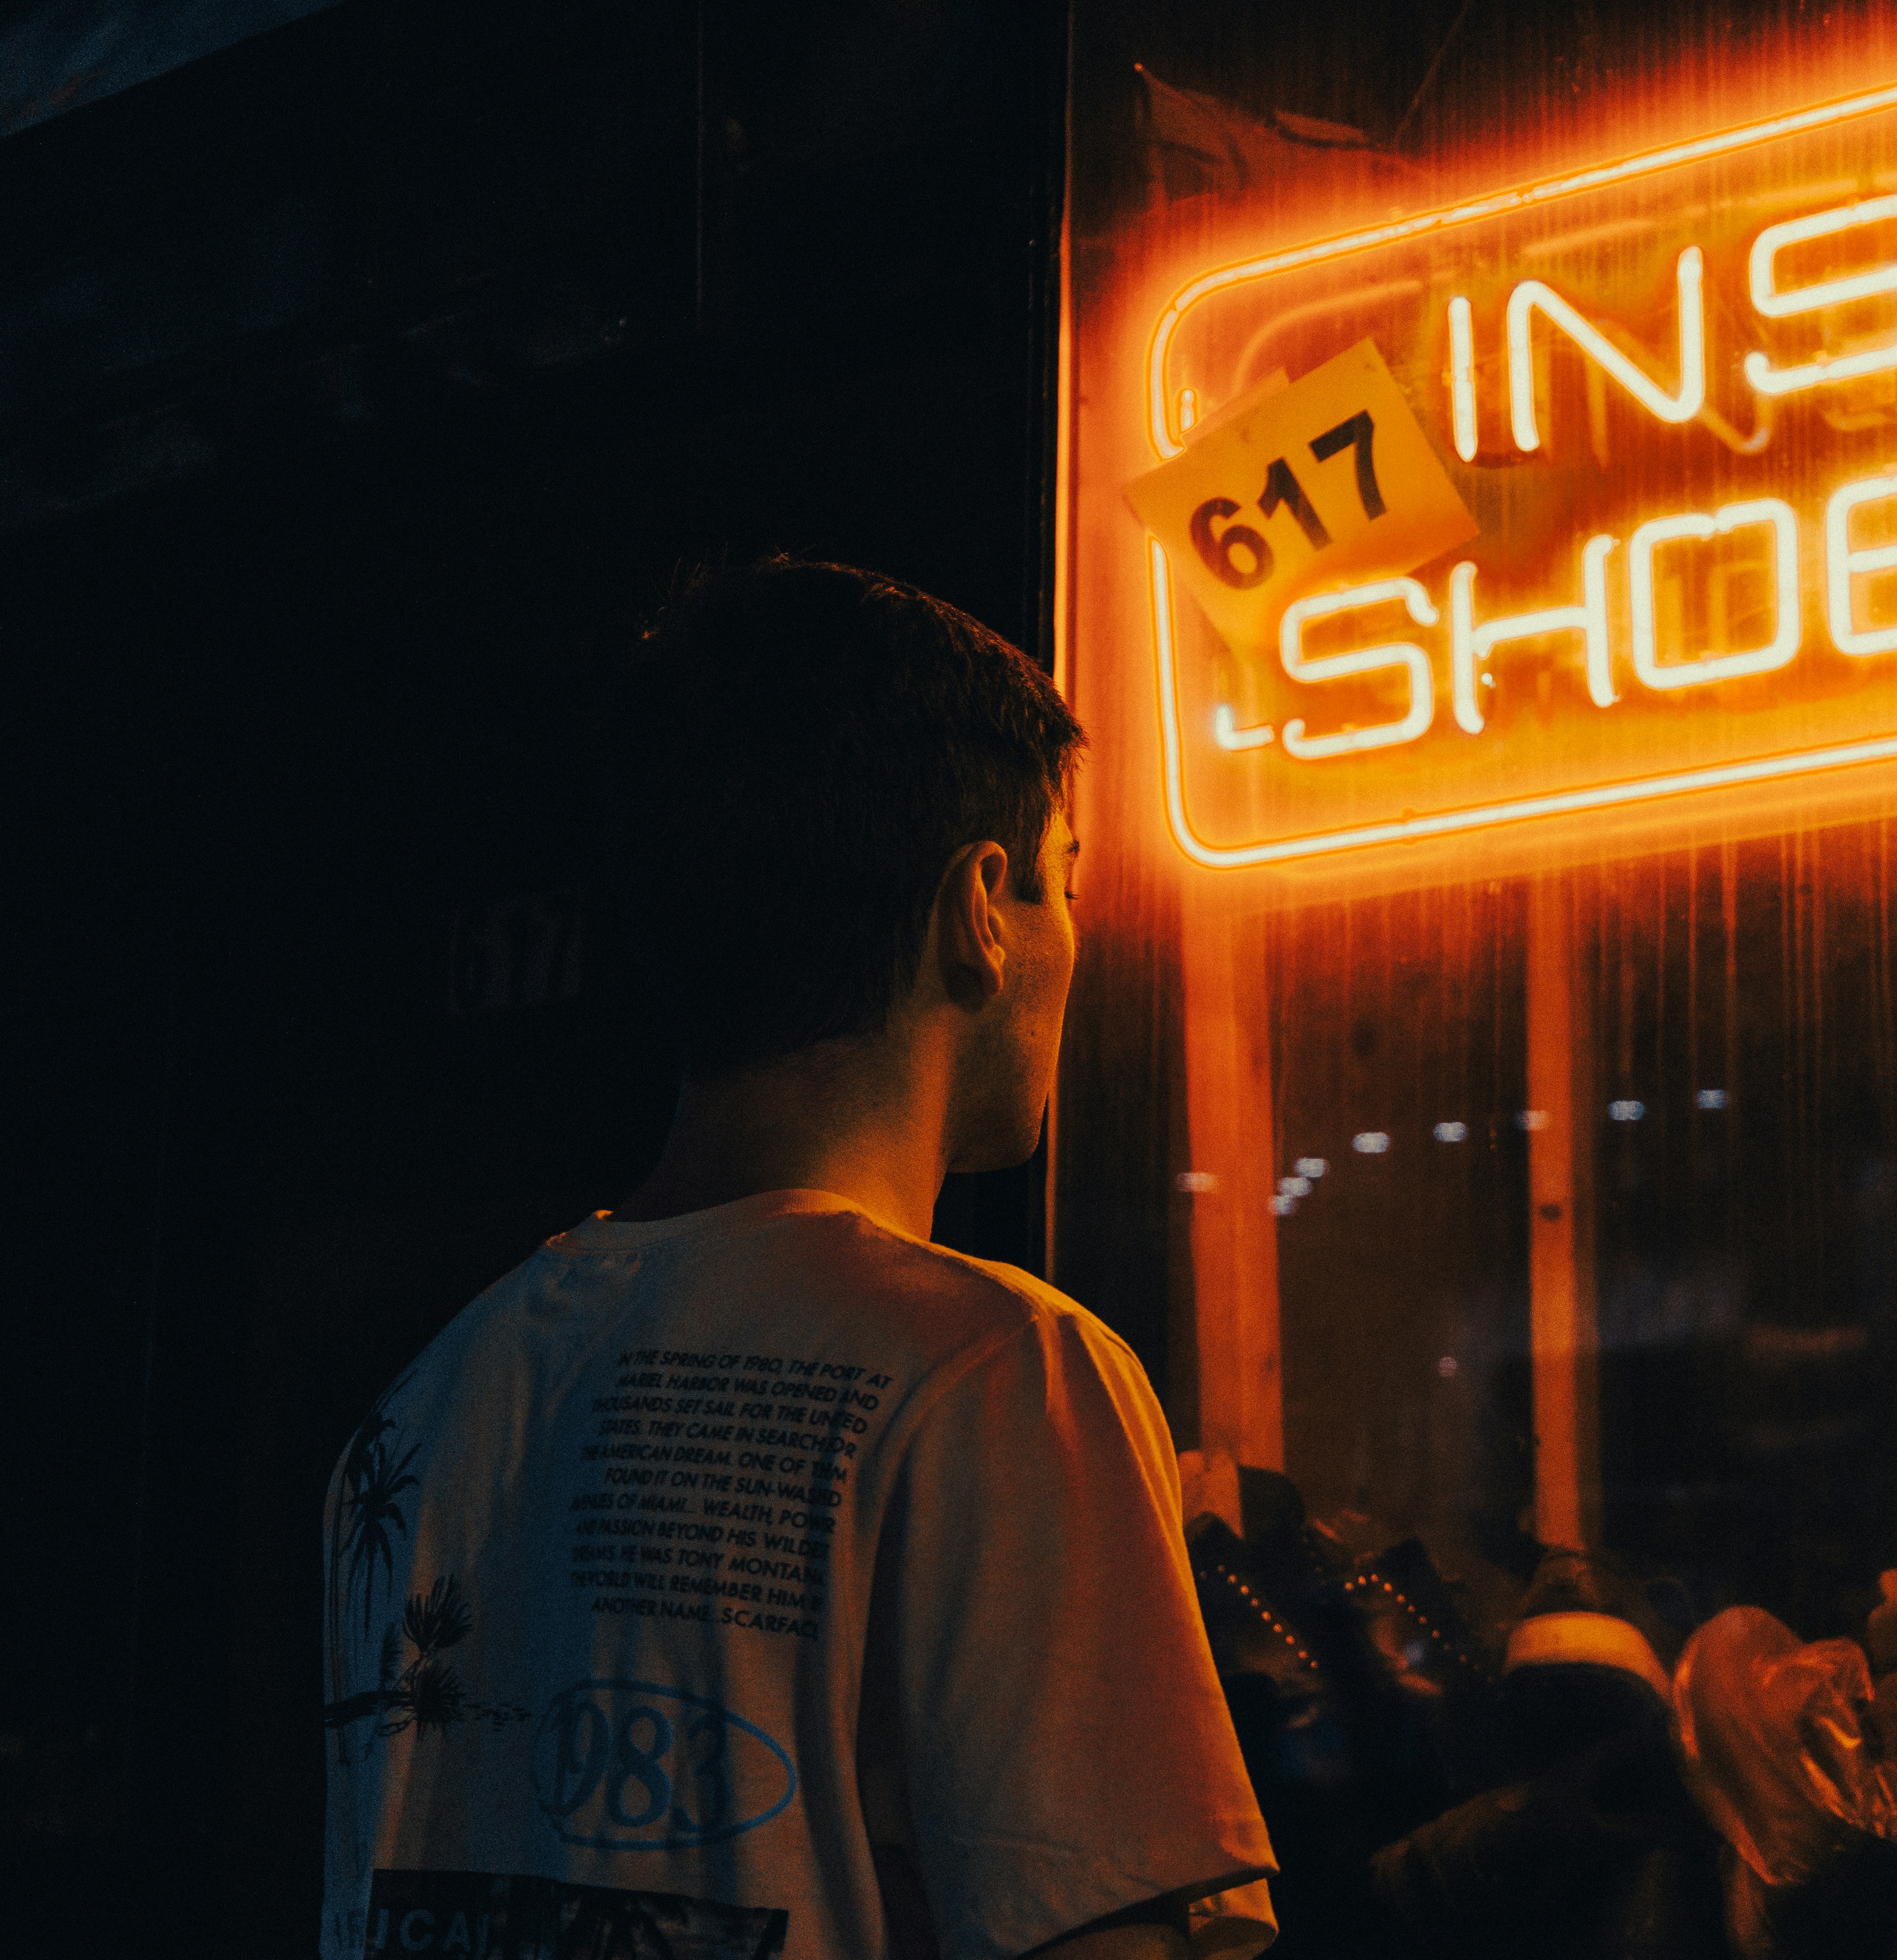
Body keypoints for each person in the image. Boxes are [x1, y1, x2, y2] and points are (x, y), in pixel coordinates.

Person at [321, 557, 1274, 1960]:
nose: (1076, 935)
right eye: (1066, 882)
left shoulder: (420, 1409)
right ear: (982, 909)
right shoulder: (997, 1375)